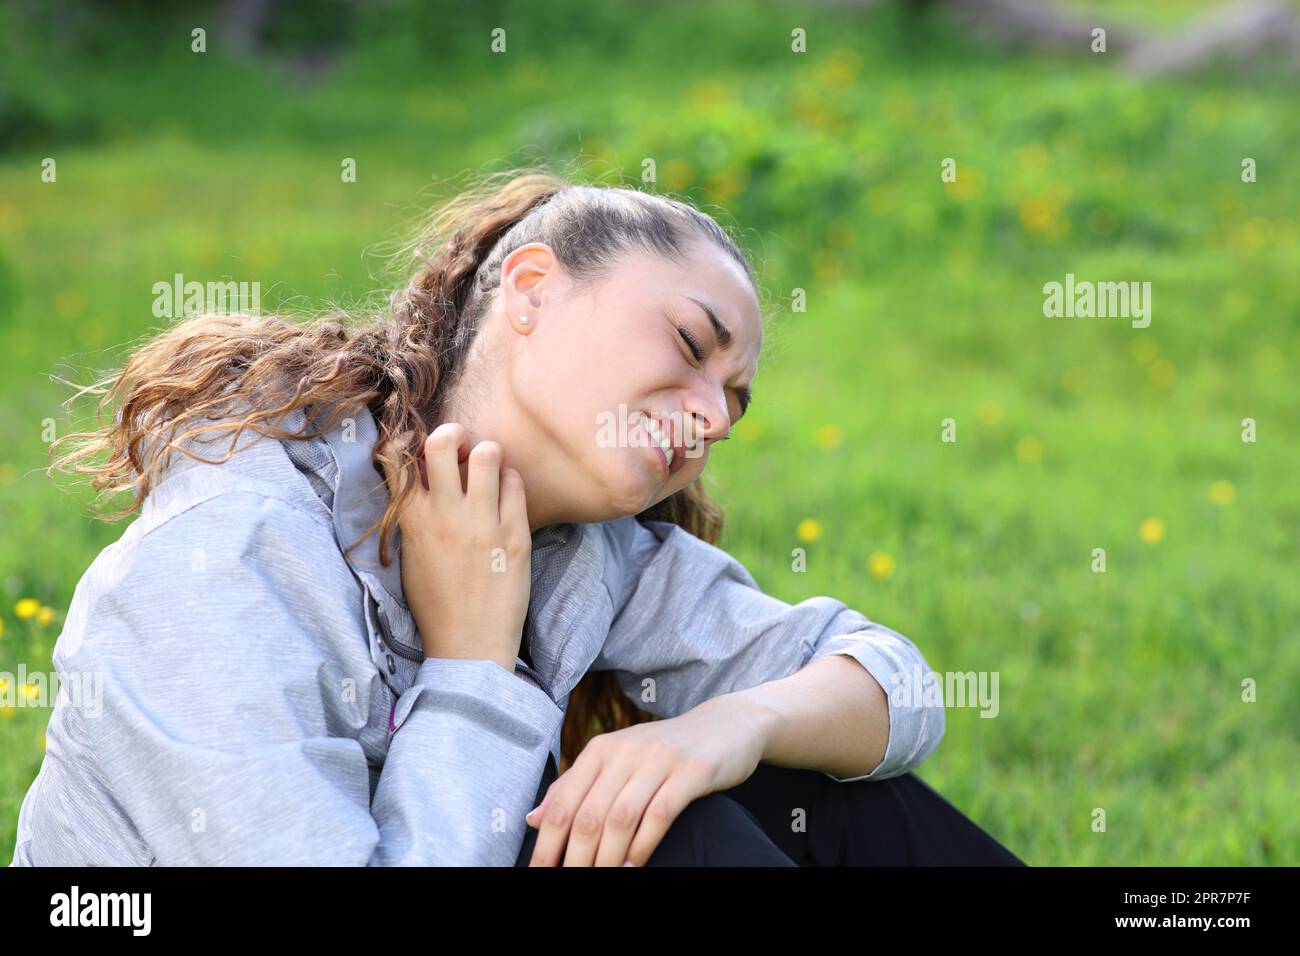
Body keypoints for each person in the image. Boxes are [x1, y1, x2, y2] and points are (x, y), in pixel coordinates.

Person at [11, 168, 1017, 866]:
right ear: (531, 290)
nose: (712, 415)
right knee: (671, 842)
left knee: (818, 799)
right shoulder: (232, 553)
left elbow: (890, 679)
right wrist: (473, 668)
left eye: (733, 401)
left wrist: (728, 727)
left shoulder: (589, 551)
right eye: (687, 342)